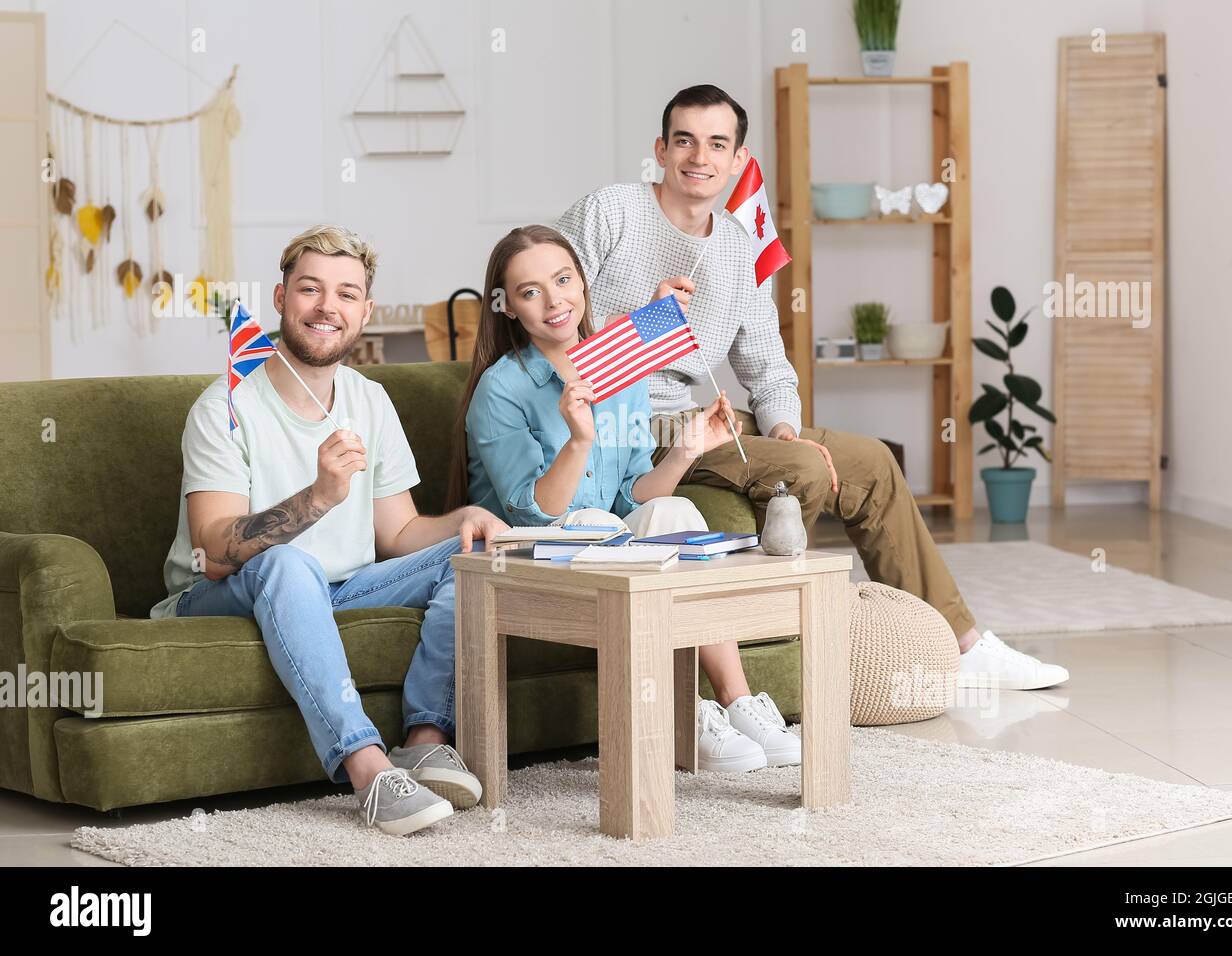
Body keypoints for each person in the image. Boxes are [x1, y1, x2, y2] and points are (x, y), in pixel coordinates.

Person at [556, 84, 1069, 690]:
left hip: (704, 418)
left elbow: (768, 366)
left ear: (738, 160)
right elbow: (545, 319)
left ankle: (962, 646)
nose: (700, 157)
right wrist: (645, 324)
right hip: (626, 425)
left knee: (871, 462)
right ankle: (795, 657)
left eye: (717, 144)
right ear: (661, 149)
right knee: (799, 469)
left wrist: (783, 428)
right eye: (685, 141)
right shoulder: (610, 213)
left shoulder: (739, 249)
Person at [151, 225, 507, 835]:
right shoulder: (223, 409)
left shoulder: (369, 401)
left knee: (465, 556)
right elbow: (216, 547)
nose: (327, 307)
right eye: (310, 289)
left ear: (364, 311)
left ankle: (423, 739)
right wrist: (316, 499)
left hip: (337, 589)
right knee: (288, 564)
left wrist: (463, 521)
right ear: (281, 298)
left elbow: (399, 533)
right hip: (216, 596)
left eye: (346, 294)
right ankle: (367, 770)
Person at [445, 224, 804, 772]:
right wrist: (579, 438)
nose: (554, 300)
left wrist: (683, 453)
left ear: (583, 284)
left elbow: (631, 493)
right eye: (530, 291)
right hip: (525, 555)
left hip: (605, 545)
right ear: (509, 308)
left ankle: (734, 700)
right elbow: (533, 511)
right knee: (588, 517)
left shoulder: (617, 367)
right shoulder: (502, 388)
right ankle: (683, 712)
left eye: (563, 280)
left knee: (676, 511)